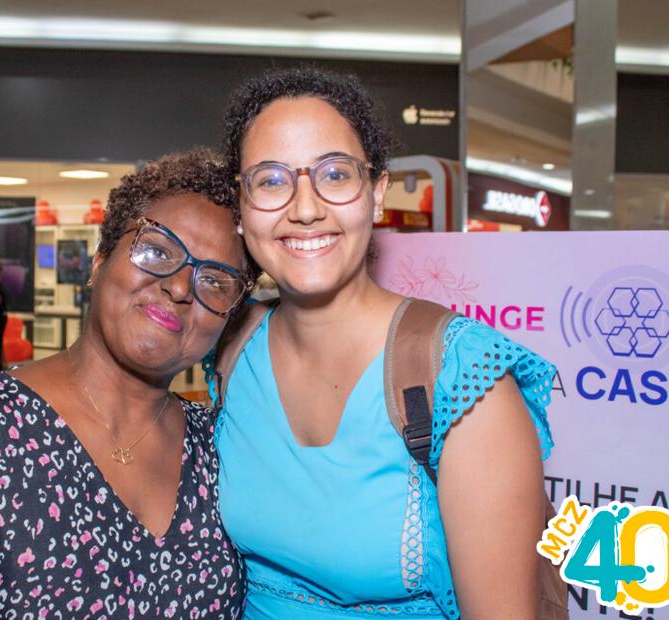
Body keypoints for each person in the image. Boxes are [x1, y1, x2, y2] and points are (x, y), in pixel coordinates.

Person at [213, 67, 554, 619]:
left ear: (375, 194)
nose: (304, 207)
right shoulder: (231, 348)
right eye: (272, 180)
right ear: (241, 206)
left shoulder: (459, 378)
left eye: (335, 174)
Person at [0, 149, 257, 618]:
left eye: (215, 280)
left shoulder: (220, 447)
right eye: (156, 250)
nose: (179, 286)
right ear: (99, 261)